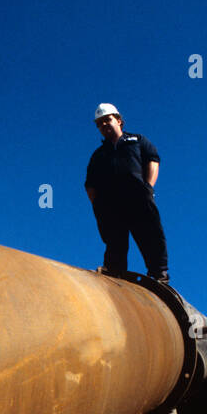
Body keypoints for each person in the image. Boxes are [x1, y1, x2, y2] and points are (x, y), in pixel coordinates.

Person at [84, 103, 169, 282]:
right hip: (110, 203)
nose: (104, 125)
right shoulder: (99, 154)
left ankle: (158, 274)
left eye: (107, 120)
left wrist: (148, 188)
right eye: (99, 123)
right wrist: (98, 204)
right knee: (114, 240)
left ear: (119, 121)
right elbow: (90, 184)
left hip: (137, 196)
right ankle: (115, 272)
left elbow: (153, 160)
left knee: (149, 233)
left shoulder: (137, 140)